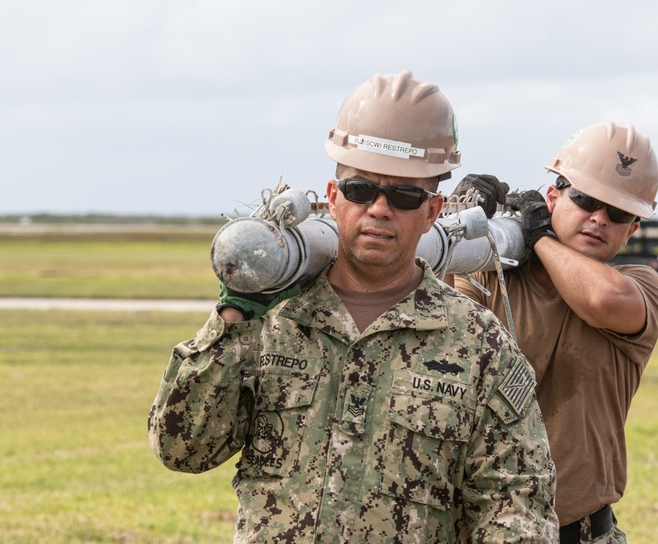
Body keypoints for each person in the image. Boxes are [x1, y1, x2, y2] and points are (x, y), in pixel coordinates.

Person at [148, 70, 559, 542]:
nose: (379, 209)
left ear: (432, 211)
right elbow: (182, 448)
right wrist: (234, 317)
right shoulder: (271, 321)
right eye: (361, 190)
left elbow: (516, 505)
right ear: (332, 198)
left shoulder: (478, 344)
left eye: (404, 195)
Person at [449, 121, 658, 543]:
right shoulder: (492, 273)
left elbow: (603, 300)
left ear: (632, 229)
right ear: (553, 197)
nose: (599, 218)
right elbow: (433, 320)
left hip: (578, 532)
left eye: (619, 213)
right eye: (585, 200)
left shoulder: (641, 286)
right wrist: (451, 222)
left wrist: (540, 236)